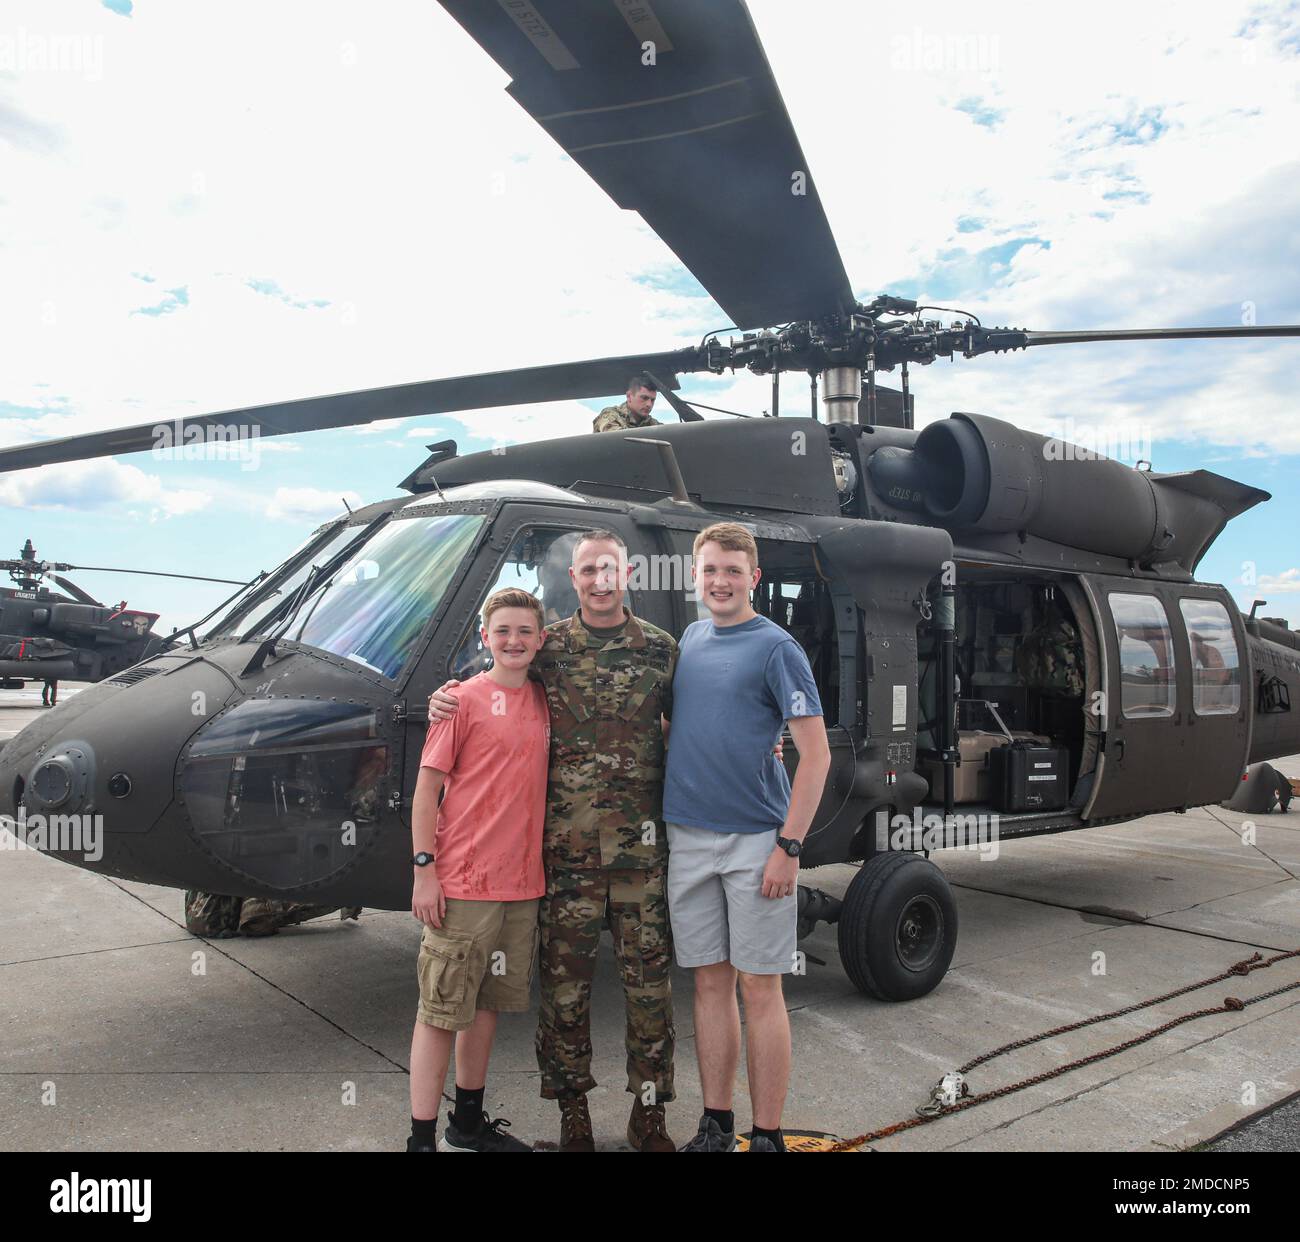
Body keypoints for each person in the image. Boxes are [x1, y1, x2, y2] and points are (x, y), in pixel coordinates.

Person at [430, 530, 677, 1152]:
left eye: (610, 569)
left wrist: (768, 739)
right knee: (564, 992)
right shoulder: (549, 646)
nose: (600, 580)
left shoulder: (662, 651)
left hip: (639, 858)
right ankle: (574, 1115)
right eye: (589, 569)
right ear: (574, 575)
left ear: (630, 575)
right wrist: (447, 695)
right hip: (564, 857)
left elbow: (698, 720)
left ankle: (649, 1113)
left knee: (648, 989)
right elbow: (496, 674)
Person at [664, 522, 831, 1152]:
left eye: (732, 570)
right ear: (696, 576)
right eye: (710, 570)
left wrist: (788, 847)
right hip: (688, 836)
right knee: (708, 983)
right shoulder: (691, 638)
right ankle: (715, 1125)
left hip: (756, 842)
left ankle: (766, 1136)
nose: (720, 581)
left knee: (759, 986)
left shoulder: (776, 648)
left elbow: (815, 757)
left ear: (753, 578)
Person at [408, 586, 549, 1153]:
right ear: (484, 637)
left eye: (525, 631)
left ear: (540, 640)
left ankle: (466, 1125)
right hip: (464, 883)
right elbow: (426, 791)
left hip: (522, 886)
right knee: (440, 1011)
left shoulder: (546, 701)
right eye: (503, 631)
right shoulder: (460, 700)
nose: (514, 641)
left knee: (488, 1007)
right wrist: (425, 869)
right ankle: (420, 1138)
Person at [183, 892, 361, 937]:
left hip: (200, 920)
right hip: (243, 919)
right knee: (279, 910)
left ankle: (347, 898)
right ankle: (347, 897)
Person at [593, 376, 659, 433]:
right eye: (644, 398)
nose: (649, 404)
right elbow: (619, 440)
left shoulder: (653, 423)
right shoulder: (609, 415)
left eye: (653, 400)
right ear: (629, 396)